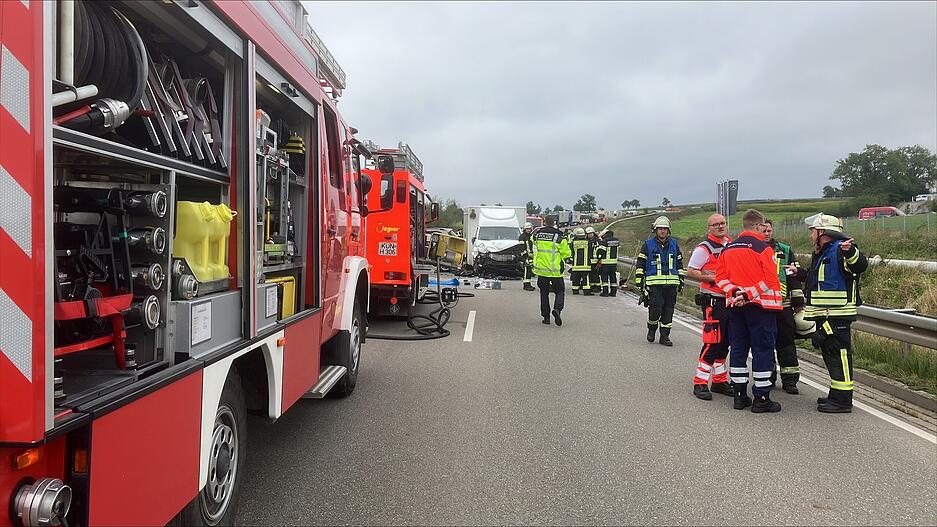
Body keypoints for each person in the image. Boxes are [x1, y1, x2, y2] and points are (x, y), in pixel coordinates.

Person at [794, 214, 868, 413]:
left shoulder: (840, 249)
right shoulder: (823, 253)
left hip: (838, 314)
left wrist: (851, 251)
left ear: (823, 233)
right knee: (830, 354)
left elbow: (859, 265)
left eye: (813, 231)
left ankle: (843, 401)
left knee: (839, 355)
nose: (811, 235)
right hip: (824, 314)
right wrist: (799, 274)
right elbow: (816, 280)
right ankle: (835, 395)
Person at [715, 209, 784, 413]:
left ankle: (739, 395)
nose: (765, 230)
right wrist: (748, 295)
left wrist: (736, 292)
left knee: (738, 349)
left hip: (736, 308)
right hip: (761, 308)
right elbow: (772, 280)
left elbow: (720, 278)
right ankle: (761, 397)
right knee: (762, 350)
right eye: (763, 226)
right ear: (757, 226)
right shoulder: (763, 248)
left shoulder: (728, 249)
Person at [686, 214, 733, 400]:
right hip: (713, 301)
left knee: (725, 343)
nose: (720, 226)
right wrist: (713, 278)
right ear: (709, 228)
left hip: (729, 300)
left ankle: (720, 381)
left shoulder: (730, 244)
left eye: (722, 223)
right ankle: (700, 382)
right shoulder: (704, 248)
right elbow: (690, 271)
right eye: (716, 224)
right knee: (712, 342)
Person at [763, 219, 804, 394]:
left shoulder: (785, 250)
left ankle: (790, 380)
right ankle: (767, 377)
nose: (767, 233)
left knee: (786, 343)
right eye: (763, 230)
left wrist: (798, 303)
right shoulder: (753, 250)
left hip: (783, 305)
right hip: (762, 305)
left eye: (769, 230)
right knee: (765, 343)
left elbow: (793, 277)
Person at [634, 216, 685, 346]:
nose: (663, 231)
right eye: (660, 229)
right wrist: (639, 279)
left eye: (665, 229)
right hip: (654, 284)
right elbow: (641, 262)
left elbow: (679, 263)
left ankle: (665, 337)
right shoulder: (648, 245)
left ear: (668, 231)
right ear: (655, 230)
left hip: (671, 284)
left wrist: (681, 278)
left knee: (668, 311)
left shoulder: (674, 244)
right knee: (655, 310)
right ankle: (651, 330)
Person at [532, 215, 571, 326]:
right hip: (555, 270)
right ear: (554, 223)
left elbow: (533, 243)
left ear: (544, 222)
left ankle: (546, 317)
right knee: (560, 291)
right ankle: (557, 310)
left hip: (542, 270)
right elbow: (567, 253)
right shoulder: (559, 236)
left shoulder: (538, 235)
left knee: (544, 293)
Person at [595, 229, 620, 297]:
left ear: (605, 235)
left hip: (605, 263)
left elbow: (601, 251)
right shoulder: (617, 240)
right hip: (614, 263)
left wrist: (599, 259)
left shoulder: (605, 241)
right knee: (613, 278)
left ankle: (605, 292)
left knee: (604, 278)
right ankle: (613, 292)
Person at [570, 227, 592, 295]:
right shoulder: (588, 242)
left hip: (576, 265)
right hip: (585, 265)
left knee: (575, 278)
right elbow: (591, 252)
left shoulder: (573, 243)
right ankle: (586, 291)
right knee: (586, 278)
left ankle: (575, 291)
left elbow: (571, 252)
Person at [519, 222, 536, 291]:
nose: (529, 230)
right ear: (524, 229)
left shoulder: (531, 236)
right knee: (527, 270)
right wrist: (525, 256)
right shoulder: (522, 237)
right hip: (526, 256)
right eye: (527, 229)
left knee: (529, 270)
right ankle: (526, 285)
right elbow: (521, 247)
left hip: (532, 256)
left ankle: (528, 284)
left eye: (529, 229)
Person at [586, 226, 601, 294]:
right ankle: (592, 286)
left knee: (596, 275)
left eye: (591, 233)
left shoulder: (597, 241)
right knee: (591, 275)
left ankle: (598, 287)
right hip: (589, 260)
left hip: (596, 260)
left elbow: (600, 250)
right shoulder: (586, 241)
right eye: (588, 234)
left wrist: (599, 260)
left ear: (593, 233)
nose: (590, 235)